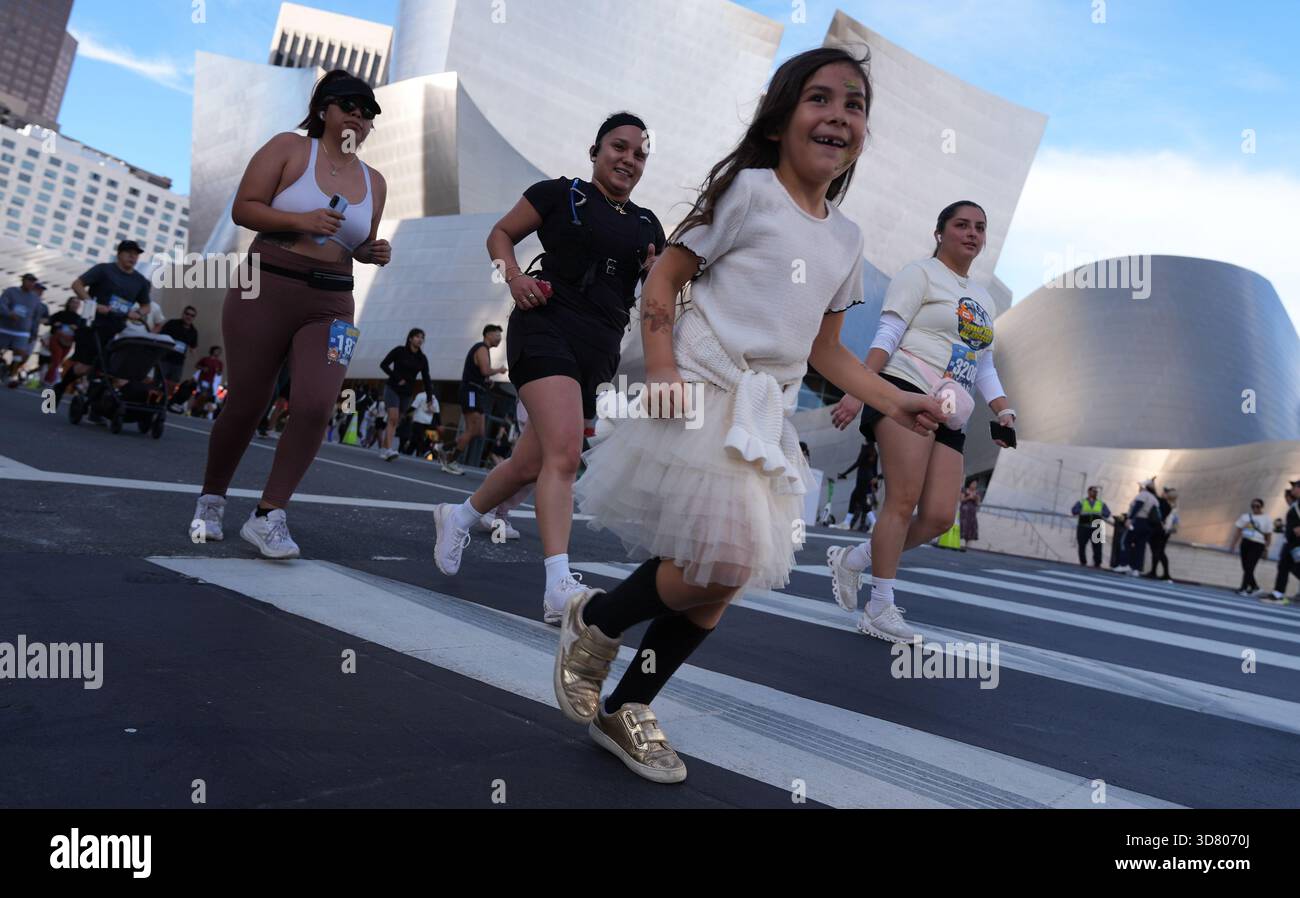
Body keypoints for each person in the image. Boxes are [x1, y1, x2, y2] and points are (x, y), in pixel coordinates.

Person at [550, 48, 943, 783]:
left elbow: (827, 350)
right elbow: (665, 278)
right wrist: (661, 366)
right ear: (782, 116)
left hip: (765, 415)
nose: (838, 116)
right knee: (723, 560)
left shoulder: (847, 239)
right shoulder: (749, 193)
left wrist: (896, 400)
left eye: (854, 104)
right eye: (819, 99)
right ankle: (597, 622)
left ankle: (626, 706)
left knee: (720, 581)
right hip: (703, 389)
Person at [431, 111, 667, 626]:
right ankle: (558, 584)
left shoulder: (649, 225)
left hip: (599, 349)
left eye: (639, 153)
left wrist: (655, 276)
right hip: (546, 327)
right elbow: (500, 234)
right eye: (618, 147)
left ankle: (460, 516)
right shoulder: (560, 194)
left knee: (530, 464)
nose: (628, 159)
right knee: (563, 452)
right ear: (596, 150)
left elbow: (659, 299)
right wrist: (512, 277)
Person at [188, 69, 391, 558]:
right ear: (324, 110)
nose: (358, 118)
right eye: (349, 106)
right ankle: (212, 498)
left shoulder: (375, 182)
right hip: (267, 282)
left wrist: (369, 251)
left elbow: (354, 243)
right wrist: (300, 220)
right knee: (248, 401)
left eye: (367, 113)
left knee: (318, 404)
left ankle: (268, 514)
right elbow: (244, 209)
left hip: (333, 299)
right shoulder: (289, 148)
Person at [824, 198, 1016, 641]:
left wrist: (1003, 409)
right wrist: (859, 389)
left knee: (937, 517)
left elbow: (982, 364)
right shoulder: (920, 273)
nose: (972, 233)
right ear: (940, 232)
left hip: (952, 408)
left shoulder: (983, 299)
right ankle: (880, 606)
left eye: (980, 227)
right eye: (962, 225)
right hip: (905, 387)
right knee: (902, 500)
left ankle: (853, 560)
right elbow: (887, 334)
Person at [53, 242, 154, 406]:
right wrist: (92, 304)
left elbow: (146, 306)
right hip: (92, 324)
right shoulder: (104, 269)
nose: (132, 257)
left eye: (136, 254)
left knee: (110, 370)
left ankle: (96, 406)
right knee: (84, 367)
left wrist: (138, 313)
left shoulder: (140, 281)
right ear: (119, 254)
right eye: (128, 253)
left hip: (117, 329)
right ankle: (61, 387)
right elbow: (77, 284)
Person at [435, 325, 506, 473]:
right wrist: (498, 370)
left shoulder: (484, 350)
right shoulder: (481, 348)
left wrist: (486, 380)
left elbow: (481, 372)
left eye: (500, 336)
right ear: (487, 334)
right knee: (472, 428)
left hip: (476, 392)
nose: (499, 339)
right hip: (471, 392)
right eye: (497, 335)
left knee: (479, 431)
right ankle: (451, 461)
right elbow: (485, 370)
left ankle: (444, 447)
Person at [378, 328, 433, 461]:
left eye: (422, 338)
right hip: (392, 388)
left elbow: (426, 378)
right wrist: (397, 378)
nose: (420, 340)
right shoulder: (399, 351)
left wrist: (430, 397)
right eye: (417, 337)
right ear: (410, 338)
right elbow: (383, 365)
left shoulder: (422, 358)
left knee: (395, 421)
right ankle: (389, 450)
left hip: (407, 393)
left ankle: (385, 449)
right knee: (392, 418)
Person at [1, 275, 49, 387]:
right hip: (4, 327)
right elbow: (2, 304)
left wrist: (33, 333)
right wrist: (9, 313)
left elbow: (36, 318)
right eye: (29, 281)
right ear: (23, 281)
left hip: (22, 331)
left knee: (20, 353)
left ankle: (11, 376)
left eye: (33, 282)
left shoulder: (36, 299)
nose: (30, 284)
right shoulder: (11, 291)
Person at [1260, 479, 1300, 605]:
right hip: (1291, 543)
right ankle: (1278, 594)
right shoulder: (1297, 504)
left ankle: (1278, 594)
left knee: (1293, 568)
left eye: (1295, 486)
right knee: (1284, 567)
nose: (1292, 489)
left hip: (1297, 544)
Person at [1114, 479, 1160, 576]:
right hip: (1148, 524)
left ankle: (1124, 564)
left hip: (1137, 521)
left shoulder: (1143, 495)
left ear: (1143, 487)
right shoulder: (1155, 498)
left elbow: (1138, 506)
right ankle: (1136, 568)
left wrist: (1129, 519)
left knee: (1126, 541)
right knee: (1140, 546)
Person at [1229, 497, 1271, 596]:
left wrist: (1266, 547)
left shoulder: (1266, 518)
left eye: (1257, 506)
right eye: (1253, 506)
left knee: (1250, 567)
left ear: (1262, 507)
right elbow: (1238, 530)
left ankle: (1243, 588)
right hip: (1245, 542)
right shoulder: (1245, 517)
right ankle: (1255, 587)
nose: (1255, 508)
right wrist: (1233, 544)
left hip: (1258, 544)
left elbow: (1268, 535)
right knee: (1245, 566)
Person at [158, 305, 200, 397]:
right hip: (165, 359)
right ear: (183, 314)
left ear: (194, 318)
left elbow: (193, 348)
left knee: (172, 385)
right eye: (187, 314)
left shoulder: (193, 332)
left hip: (178, 363)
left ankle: (165, 403)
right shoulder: (172, 323)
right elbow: (161, 336)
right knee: (159, 382)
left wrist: (197, 363)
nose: (189, 317)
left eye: (192, 315)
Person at [836, 440, 877, 531]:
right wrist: (875, 482)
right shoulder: (874, 451)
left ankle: (874, 522)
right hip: (868, 478)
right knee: (854, 496)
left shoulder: (865, 449)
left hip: (862, 477)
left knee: (861, 499)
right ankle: (846, 522)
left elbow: (857, 463)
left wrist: (844, 473)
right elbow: (875, 469)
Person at [1071, 485, 1112, 567]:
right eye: (1093, 491)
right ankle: (1083, 562)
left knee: (1097, 547)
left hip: (1096, 527)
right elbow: (1074, 510)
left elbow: (1107, 513)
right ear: (1088, 492)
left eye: (1096, 492)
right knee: (1082, 545)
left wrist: (1101, 513)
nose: (1095, 493)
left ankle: (1097, 563)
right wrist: (1081, 511)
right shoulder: (1082, 502)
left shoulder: (1101, 503)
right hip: (1084, 526)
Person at [1145, 486, 1177, 580]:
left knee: (1156, 550)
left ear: (1168, 495)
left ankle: (1154, 572)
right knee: (1161, 552)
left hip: (1160, 530)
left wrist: (1151, 486)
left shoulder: (1164, 503)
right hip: (1166, 531)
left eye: (1165, 492)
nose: (1163, 493)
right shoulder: (1173, 505)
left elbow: (1155, 496)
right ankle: (1166, 574)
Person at [959, 480, 980, 549]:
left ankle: (967, 545)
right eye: (973, 483)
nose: (974, 485)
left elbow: (978, 504)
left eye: (975, 484)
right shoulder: (964, 490)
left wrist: (976, 498)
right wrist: (969, 497)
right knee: (963, 525)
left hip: (972, 513)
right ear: (970, 483)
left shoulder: (977, 493)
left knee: (971, 527)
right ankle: (957, 542)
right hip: (964, 512)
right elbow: (961, 500)